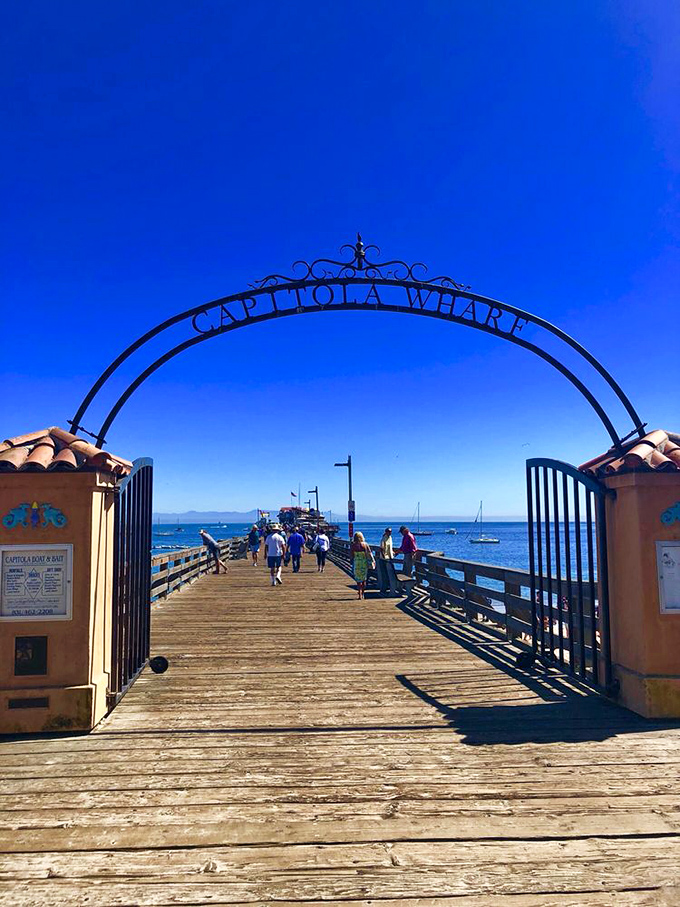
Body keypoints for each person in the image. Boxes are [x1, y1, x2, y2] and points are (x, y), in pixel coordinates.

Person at [351, 531, 375, 599]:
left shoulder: (353, 545)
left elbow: (351, 555)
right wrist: (372, 561)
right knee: (364, 579)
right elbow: (369, 554)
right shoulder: (365, 545)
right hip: (364, 563)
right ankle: (363, 593)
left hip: (357, 563)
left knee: (358, 580)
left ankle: (359, 594)